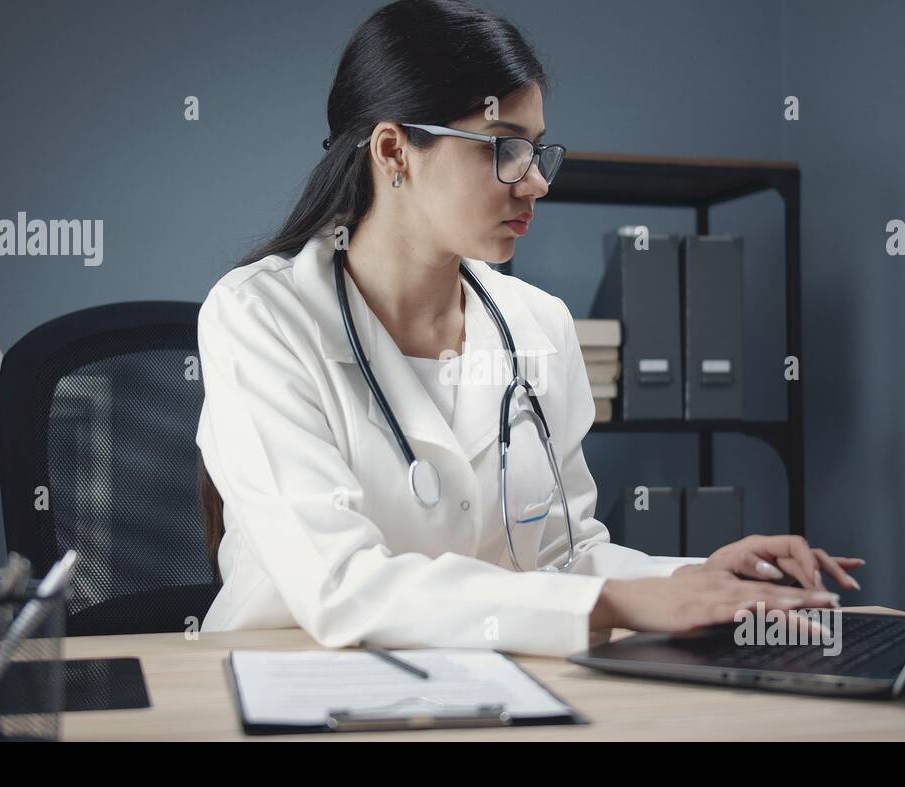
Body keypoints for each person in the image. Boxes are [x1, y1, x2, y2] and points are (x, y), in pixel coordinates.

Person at [195, 0, 861, 656]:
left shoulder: (538, 324)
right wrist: (619, 603)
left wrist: (690, 579)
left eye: (540, 152)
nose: (536, 182)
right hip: (291, 682)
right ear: (394, 150)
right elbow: (340, 584)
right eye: (505, 149)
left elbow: (558, 560)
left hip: (489, 683)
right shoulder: (260, 317)